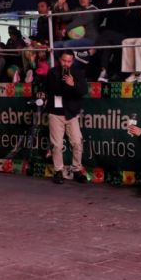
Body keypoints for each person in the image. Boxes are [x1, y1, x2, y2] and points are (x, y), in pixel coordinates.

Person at [45, 51, 88, 184]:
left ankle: (76, 170)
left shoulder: (78, 73)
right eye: (64, 61)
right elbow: (52, 90)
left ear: (72, 61)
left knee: (77, 141)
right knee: (56, 144)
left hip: (71, 113)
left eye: (69, 61)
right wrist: (65, 83)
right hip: (55, 112)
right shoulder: (52, 73)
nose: (66, 64)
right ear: (59, 60)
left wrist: (73, 84)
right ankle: (58, 171)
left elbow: (83, 91)